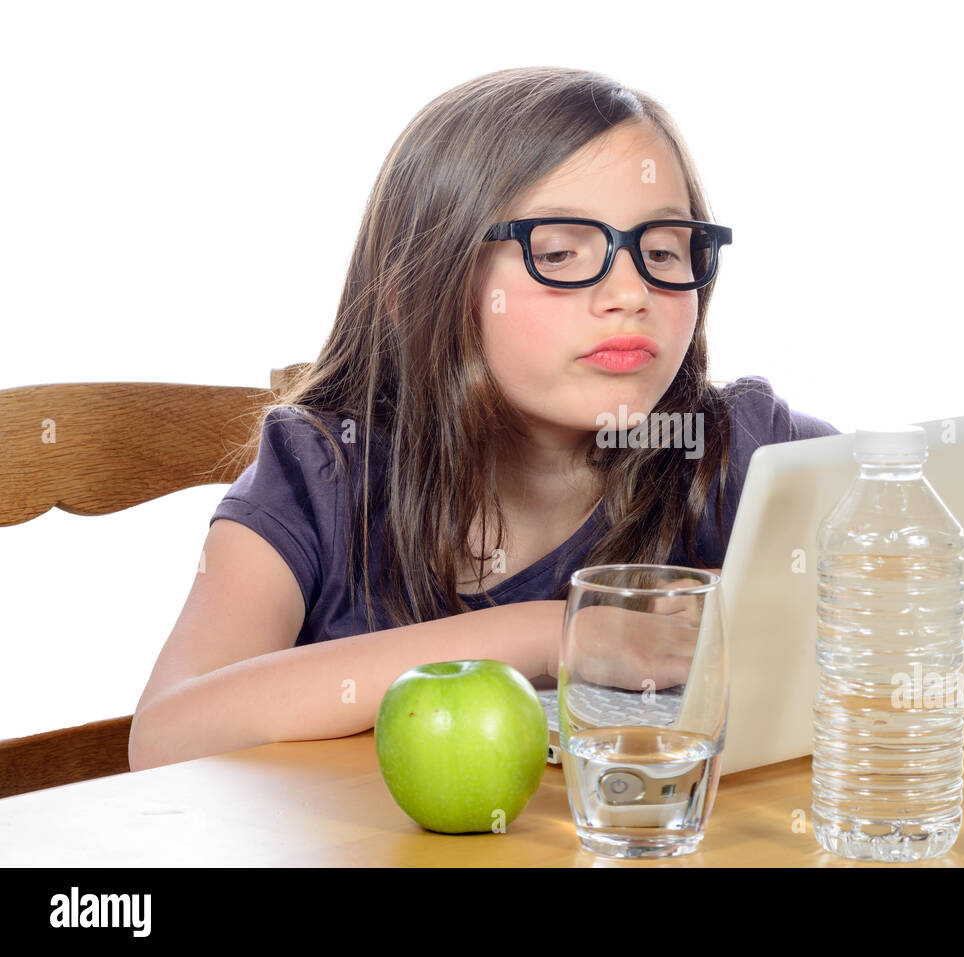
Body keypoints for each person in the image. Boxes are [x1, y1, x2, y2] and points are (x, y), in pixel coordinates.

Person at [128, 67, 839, 772]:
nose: (631, 292)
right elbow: (168, 734)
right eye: (560, 253)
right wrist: (557, 634)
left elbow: (931, 580)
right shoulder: (323, 472)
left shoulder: (744, 449)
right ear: (415, 294)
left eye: (661, 251)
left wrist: (793, 602)